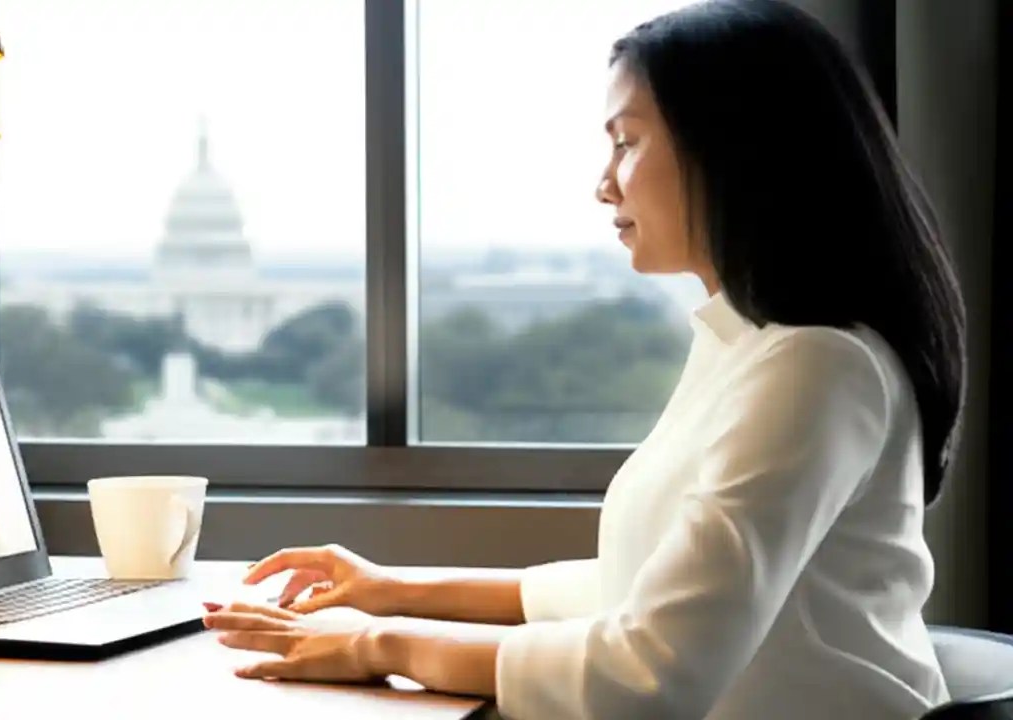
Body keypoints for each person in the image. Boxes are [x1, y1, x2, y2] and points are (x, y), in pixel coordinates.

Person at [201, 1, 967, 718]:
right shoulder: (746, 346)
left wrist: (378, 644)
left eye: (627, 142)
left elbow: (649, 671)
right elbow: (645, 589)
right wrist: (392, 589)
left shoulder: (815, 368)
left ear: (731, 148)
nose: (604, 185)